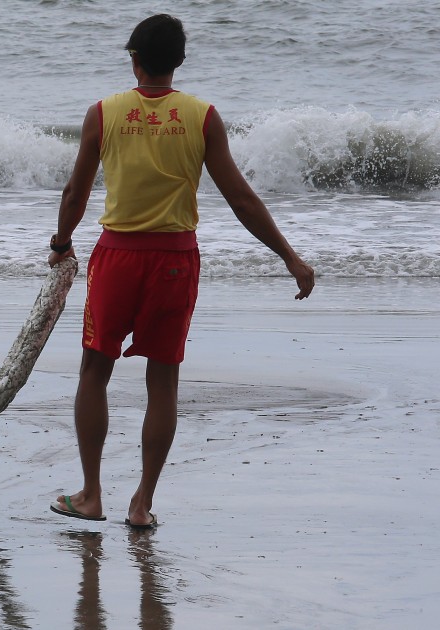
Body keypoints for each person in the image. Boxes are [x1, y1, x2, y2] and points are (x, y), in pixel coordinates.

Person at [46, 14, 314, 529]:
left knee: (94, 370)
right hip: (175, 260)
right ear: (179, 62)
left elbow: (75, 193)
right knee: (163, 381)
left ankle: (91, 495)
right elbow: (240, 197)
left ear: (134, 60)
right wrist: (290, 257)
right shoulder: (202, 116)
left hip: (117, 257)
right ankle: (142, 503)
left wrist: (61, 244)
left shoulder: (104, 113)